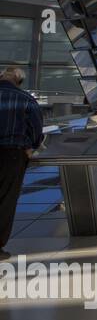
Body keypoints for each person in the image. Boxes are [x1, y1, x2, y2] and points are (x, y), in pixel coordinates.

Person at [0, 67, 42, 258]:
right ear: (18, 79)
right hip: (11, 155)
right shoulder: (25, 99)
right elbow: (35, 129)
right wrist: (30, 146)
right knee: (5, 201)